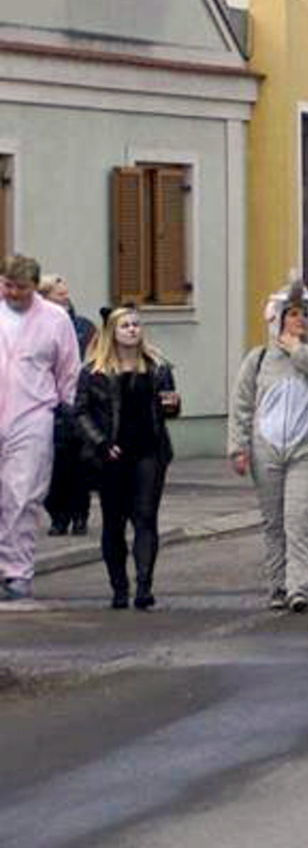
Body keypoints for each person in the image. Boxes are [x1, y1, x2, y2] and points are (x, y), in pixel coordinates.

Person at [73, 307, 180, 609]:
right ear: (112, 332)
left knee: (145, 517)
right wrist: (101, 442)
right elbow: (79, 412)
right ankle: (119, 587)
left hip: (149, 451)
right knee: (113, 522)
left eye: (136, 324)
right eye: (125, 326)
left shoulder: (158, 367)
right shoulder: (94, 371)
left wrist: (173, 405)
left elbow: (168, 409)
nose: (132, 330)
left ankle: (144, 586)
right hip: (112, 454)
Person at [230, 284, 308, 611]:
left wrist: (298, 351)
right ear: (278, 320)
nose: (299, 320)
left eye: (303, 314)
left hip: (305, 451)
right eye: (293, 314)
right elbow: (241, 405)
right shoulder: (258, 360)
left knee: (299, 518)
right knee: (273, 522)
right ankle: (278, 585)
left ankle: (299, 587)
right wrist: (238, 447)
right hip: (265, 450)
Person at [0, 257, 84, 601]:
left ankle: (15, 573)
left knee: (22, 495)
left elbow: (69, 370)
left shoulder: (55, 319)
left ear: (35, 287)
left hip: (33, 413)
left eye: (20, 288)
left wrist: (72, 414)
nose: (13, 293)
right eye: (7, 285)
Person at [38, 275, 97, 536]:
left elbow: (95, 358)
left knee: (78, 466)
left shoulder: (84, 327)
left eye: (66, 294)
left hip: (79, 404)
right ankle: (57, 514)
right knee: (51, 468)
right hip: (46, 406)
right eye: (59, 295)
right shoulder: (34, 327)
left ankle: (79, 515)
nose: (65, 299)